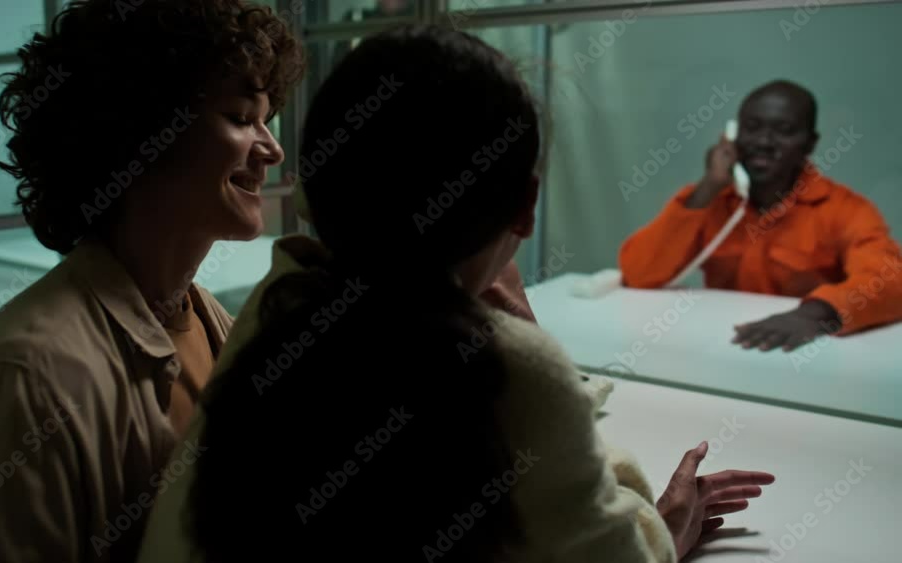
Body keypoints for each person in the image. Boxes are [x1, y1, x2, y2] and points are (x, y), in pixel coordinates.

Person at [138, 24, 773, 563]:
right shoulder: (507, 368)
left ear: (312, 187)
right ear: (524, 208)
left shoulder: (276, 303)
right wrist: (665, 523)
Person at [0, 1, 303, 562]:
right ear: (143, 134)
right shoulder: (27, 380)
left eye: (267, 118)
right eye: (242, 117)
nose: (271, 148)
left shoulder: (212, 321)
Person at [619, 80, 902, 352]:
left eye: (784, 130)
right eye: (752, 128)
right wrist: (709, 186)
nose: (764, 142)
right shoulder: (710, 200)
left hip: (805, 354)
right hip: (723, 345)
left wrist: (815, 314)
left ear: (810, 143)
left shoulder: (845, 209)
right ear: (732, 135)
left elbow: (890, 281)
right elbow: (639, 274)